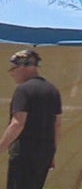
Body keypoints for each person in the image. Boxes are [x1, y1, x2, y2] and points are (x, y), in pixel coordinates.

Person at [1, 49, 62, 189]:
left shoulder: (23, 90)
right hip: (44, 153)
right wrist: (52, 152)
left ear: (22, 67)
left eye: (13, 69)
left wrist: (1, 147)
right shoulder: (52, 90)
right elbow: (57, 124)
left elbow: (18, 123)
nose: (12, 74)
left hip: (24, 153)